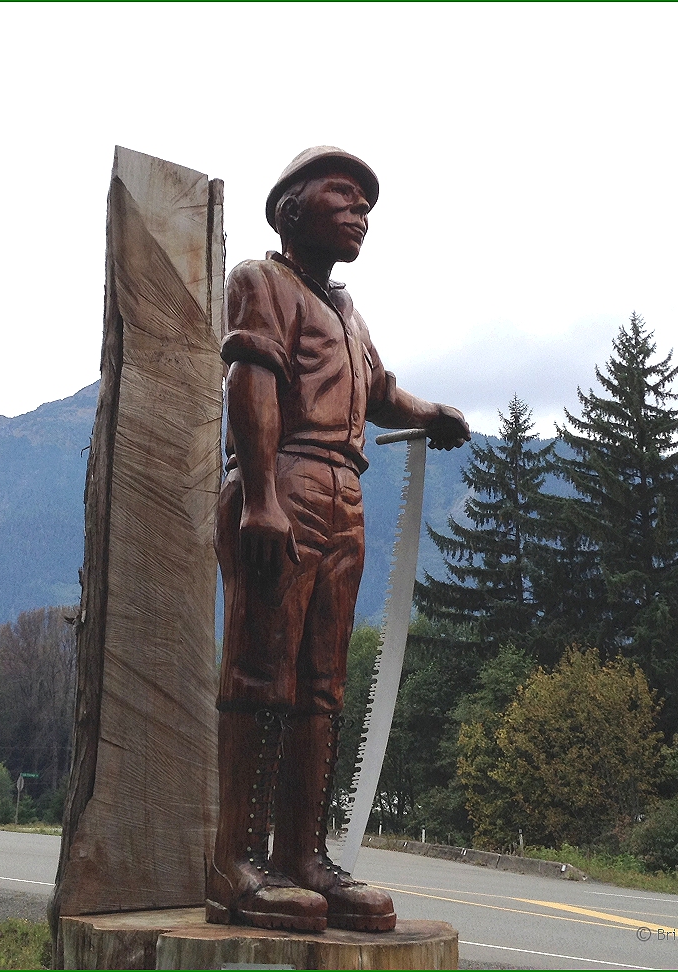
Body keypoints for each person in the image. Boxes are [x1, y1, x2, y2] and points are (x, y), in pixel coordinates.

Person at [207, 147, 470, 934]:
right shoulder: (262, 283)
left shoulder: (349, 312)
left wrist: (428, 413)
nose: (361, 213)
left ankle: (302, 857)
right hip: (281, 481)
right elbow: (249, 381)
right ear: (291, 207)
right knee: (262, 671)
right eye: (344, 196)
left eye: (368, 205)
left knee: (322, 683)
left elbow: (379, 391)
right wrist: (259, 496)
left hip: (345, 493)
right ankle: (235, 860)